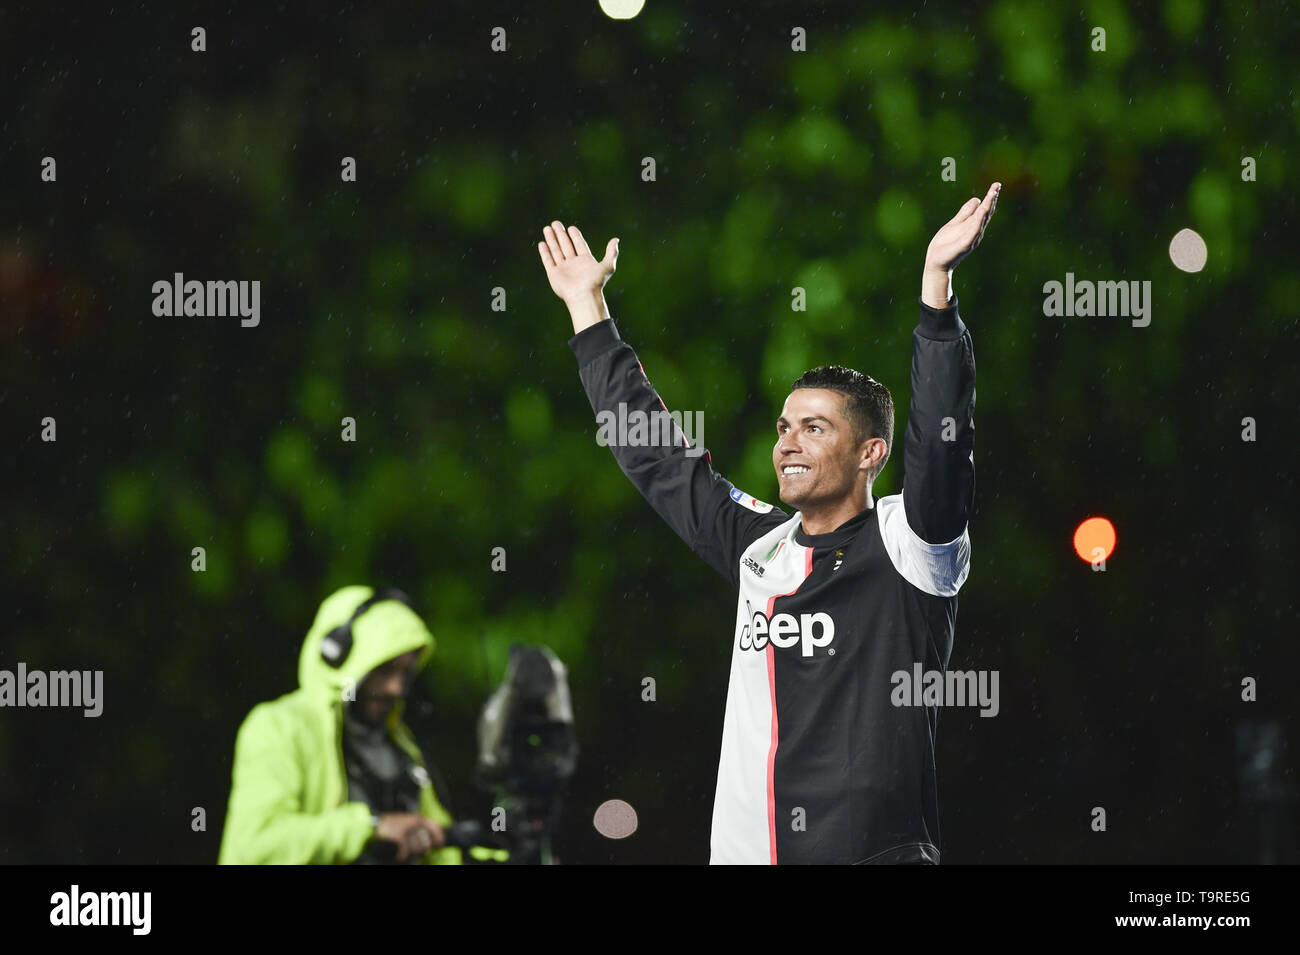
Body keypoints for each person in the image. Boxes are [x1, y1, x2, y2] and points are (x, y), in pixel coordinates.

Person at [536, 183, 999, 864]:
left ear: (872, 452)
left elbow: (940, 446)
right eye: (785, 427)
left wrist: (936, 296)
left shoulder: (910, 545)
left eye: (815, 428)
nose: (788, 443)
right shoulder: (763, 549)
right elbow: (660, 460)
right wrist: (587, 308)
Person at [218, 586, 461, 864]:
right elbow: (257, 846)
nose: (395, 687)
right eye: (384, 670)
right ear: (337, 656)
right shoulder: (279, 726)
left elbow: (443, 846)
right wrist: (371, 827)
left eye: (405, 672)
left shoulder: (398, 744)